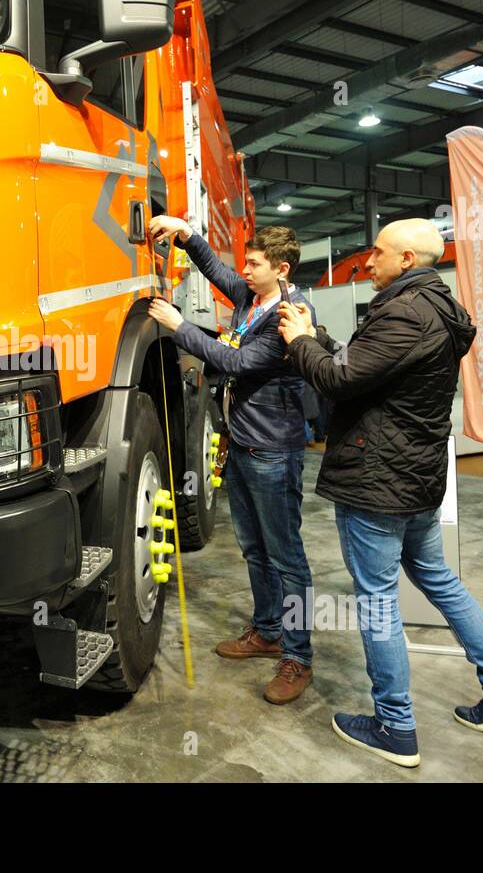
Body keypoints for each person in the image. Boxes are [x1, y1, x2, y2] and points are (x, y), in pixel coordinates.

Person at [277, 218, 483, 768]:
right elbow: (363, 367)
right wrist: (317, 336)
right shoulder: (436, 309)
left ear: (405, 260)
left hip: (379, 479)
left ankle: (395, 726)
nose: (366, 262)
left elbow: (340, 381)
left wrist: (300, 343)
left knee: (377, 602)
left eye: (376, 254)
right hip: (416, 477)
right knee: (439, 580)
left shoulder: (403, 311)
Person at [146, 215, 316, 705]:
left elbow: (236, 362)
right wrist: (185, 232)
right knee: (255, 549)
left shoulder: (288, 313)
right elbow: (218, 272)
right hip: (242, 444)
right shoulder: (252, 297)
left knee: (287, 559)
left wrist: (180, 327)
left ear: (280, 270)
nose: (245, 268)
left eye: (255, 263)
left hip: (272, 452)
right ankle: (267, 631)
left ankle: (297, 656)